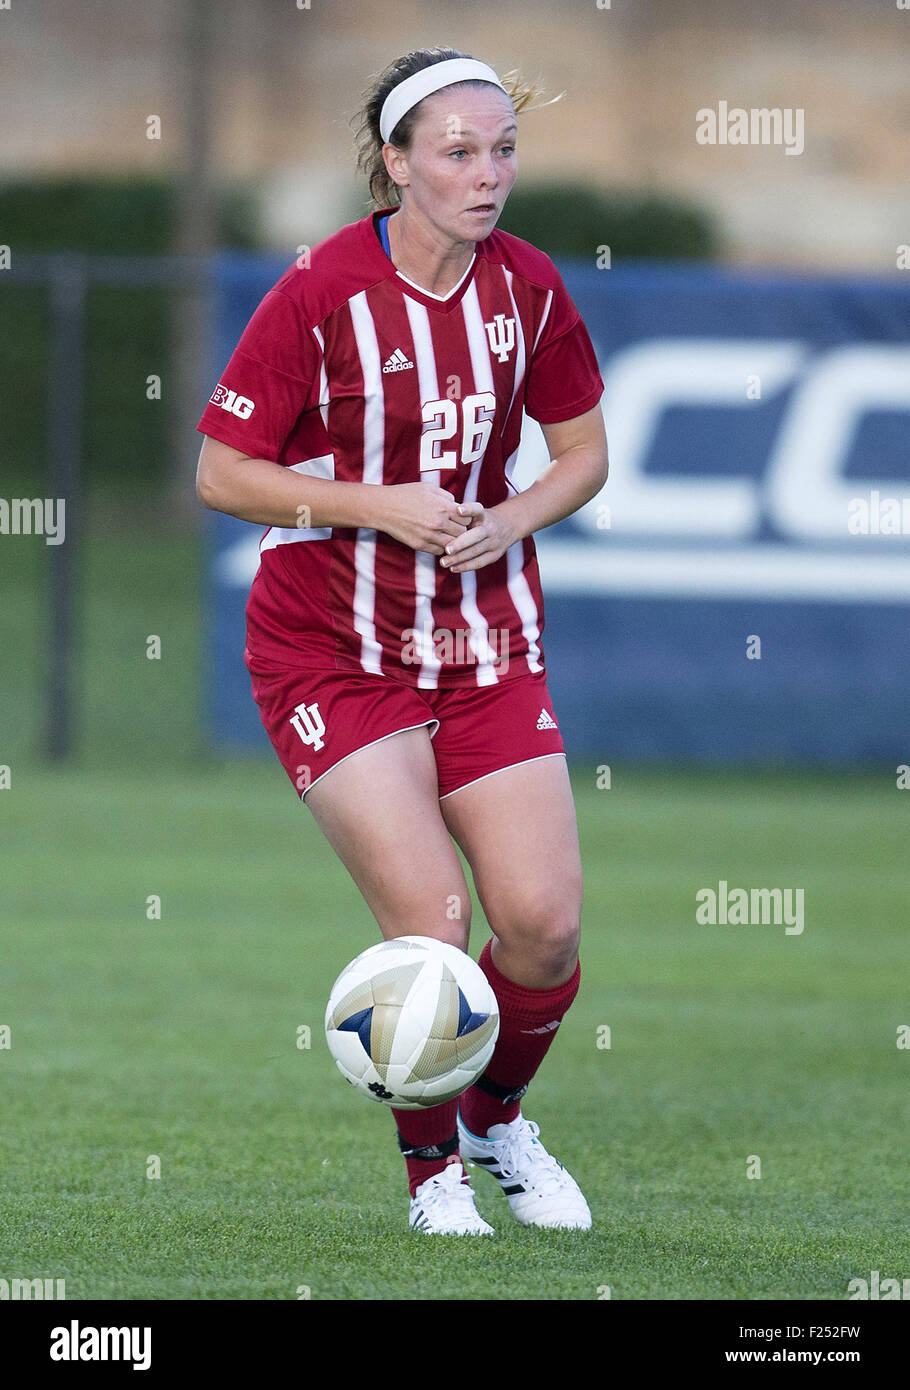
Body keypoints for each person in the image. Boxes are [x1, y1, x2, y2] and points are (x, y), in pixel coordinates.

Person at [195, 45, 608, 1236]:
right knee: (430, 920)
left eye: (503, 151)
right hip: (328, 648)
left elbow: (583, 455)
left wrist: (510, 519)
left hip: (483, 645)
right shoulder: (319, 290)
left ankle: (494, 1123)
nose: (489, 176)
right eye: (459, 152)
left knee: (539, 924)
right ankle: (431, 1176)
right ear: (396, 164)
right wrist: (378, 505)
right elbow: (222, 473)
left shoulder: (527, 287)